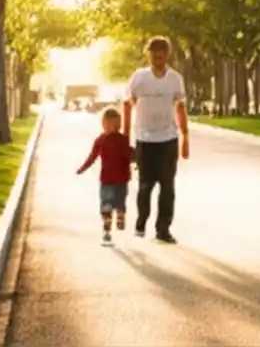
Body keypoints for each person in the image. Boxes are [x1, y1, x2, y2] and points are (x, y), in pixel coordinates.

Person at [127, 36, 189, 244]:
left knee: (168, 187)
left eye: (161, 53)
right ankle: (142, 219)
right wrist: (127, 137)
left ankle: (163, 229)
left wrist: (185, 136)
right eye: (154, 53)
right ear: (149, 54)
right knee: (145, 186)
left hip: (168, 138)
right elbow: (129, 104)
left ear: (167, 55)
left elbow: (180, 107)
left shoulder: (175, 79)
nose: (158, 57)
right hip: (145, 139)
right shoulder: (139, 77)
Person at [76, 107, 134, 246]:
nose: (107, 126)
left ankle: (114, 223)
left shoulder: (109, 140)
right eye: (106, 123)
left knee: (112, 203)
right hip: (114, 179)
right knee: (113, 203)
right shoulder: (115, 140)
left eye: (109, 124)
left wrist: (82, 169)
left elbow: (93, 158)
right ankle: (114, 223)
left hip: (114, 179)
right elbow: (93, 157)